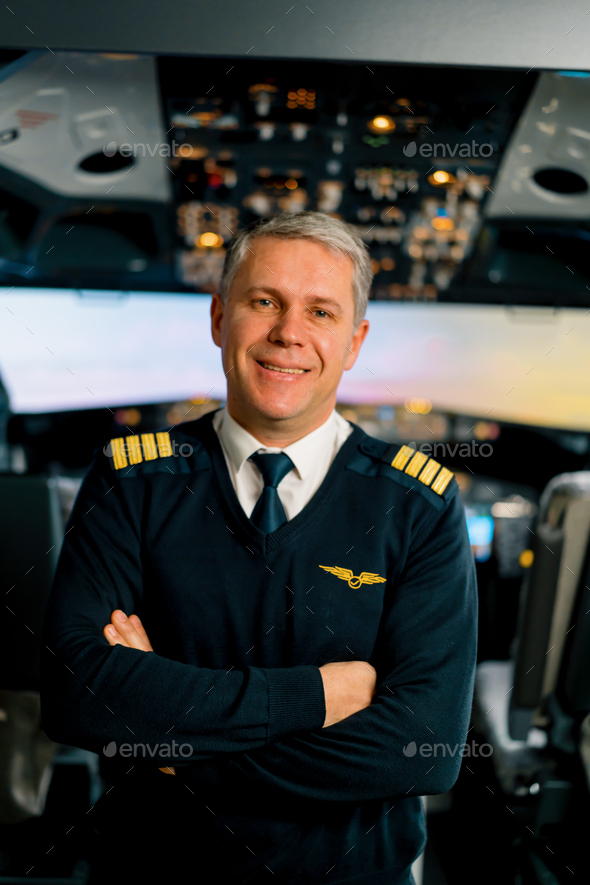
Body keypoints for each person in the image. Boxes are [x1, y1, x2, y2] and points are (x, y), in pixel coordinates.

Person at [40, 211, 478, 885]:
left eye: (321, 312)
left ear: (355, 341)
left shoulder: (420, 504)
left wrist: (177, 750)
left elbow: (423, 749)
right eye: (264, 302)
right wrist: (317, 696)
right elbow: (76, 694)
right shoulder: (132, 481)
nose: (288, 333)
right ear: (220, 318)